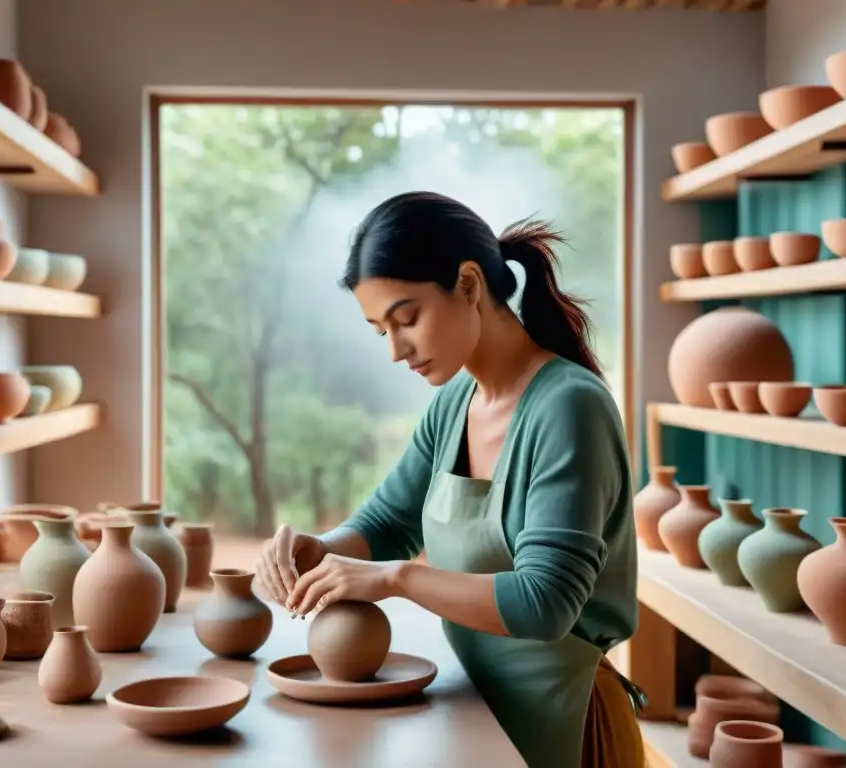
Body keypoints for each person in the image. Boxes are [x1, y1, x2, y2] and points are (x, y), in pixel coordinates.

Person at [256, 191, 644, 768]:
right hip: (474, 707)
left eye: (406, 318)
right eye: (378, 330)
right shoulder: (456, 401)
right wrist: (319, 553)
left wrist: (395, 579)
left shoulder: (569, 408)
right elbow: (388, 522)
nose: (395, 350)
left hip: (561, 724)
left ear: (468, 284)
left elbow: (545, 603)